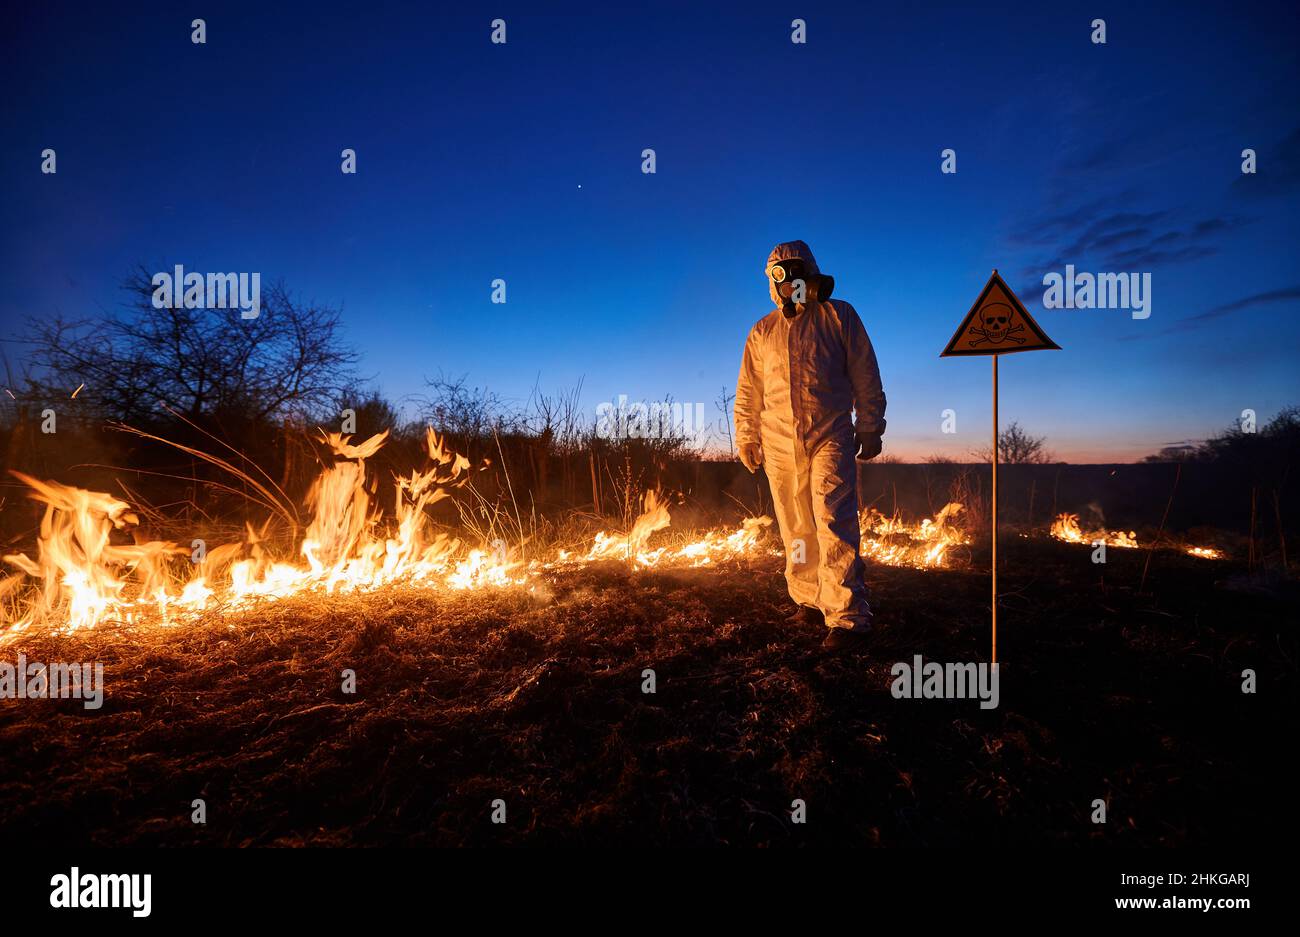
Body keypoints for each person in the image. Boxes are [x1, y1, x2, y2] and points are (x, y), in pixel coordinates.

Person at [734, 241, 886, 651]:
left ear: (810, 272)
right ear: (772, 281)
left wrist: (870, 424)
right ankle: (807, 596)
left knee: (833, 518)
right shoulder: (762, 331)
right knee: (794, 522)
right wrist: (747, 436)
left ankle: (848, 617)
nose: (787, 283)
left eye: (794, 272)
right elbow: (750, 390)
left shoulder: (839, 316)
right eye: (779, 275)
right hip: (778, 439)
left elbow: (864, 371)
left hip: (830, 433)